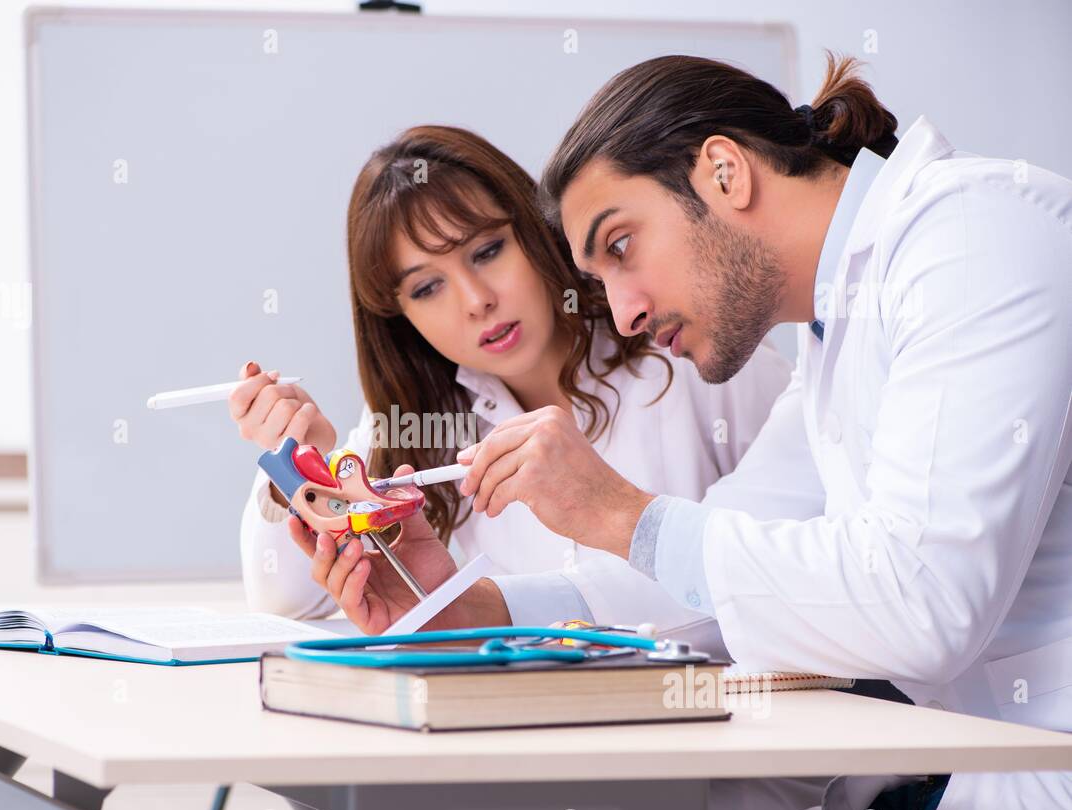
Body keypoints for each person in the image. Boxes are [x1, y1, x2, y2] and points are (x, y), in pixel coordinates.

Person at [302, 55, 1072, 810]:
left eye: (622, 245)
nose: (624, 311)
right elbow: (712, 571)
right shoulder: (831, 339)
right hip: (955, 787)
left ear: (725, 171)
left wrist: (619, 513)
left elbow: (925, 605)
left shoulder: (974, 237)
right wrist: (482, 609)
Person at [233, 125, 791, 639]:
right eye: (427, 288)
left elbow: (786, 565)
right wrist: (301, 466)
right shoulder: (420, 416)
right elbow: (283, 603)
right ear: (398, 317)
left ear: (536, 230)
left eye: (488, 251)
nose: (477, 301)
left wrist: (492, 607)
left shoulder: (687, 351)